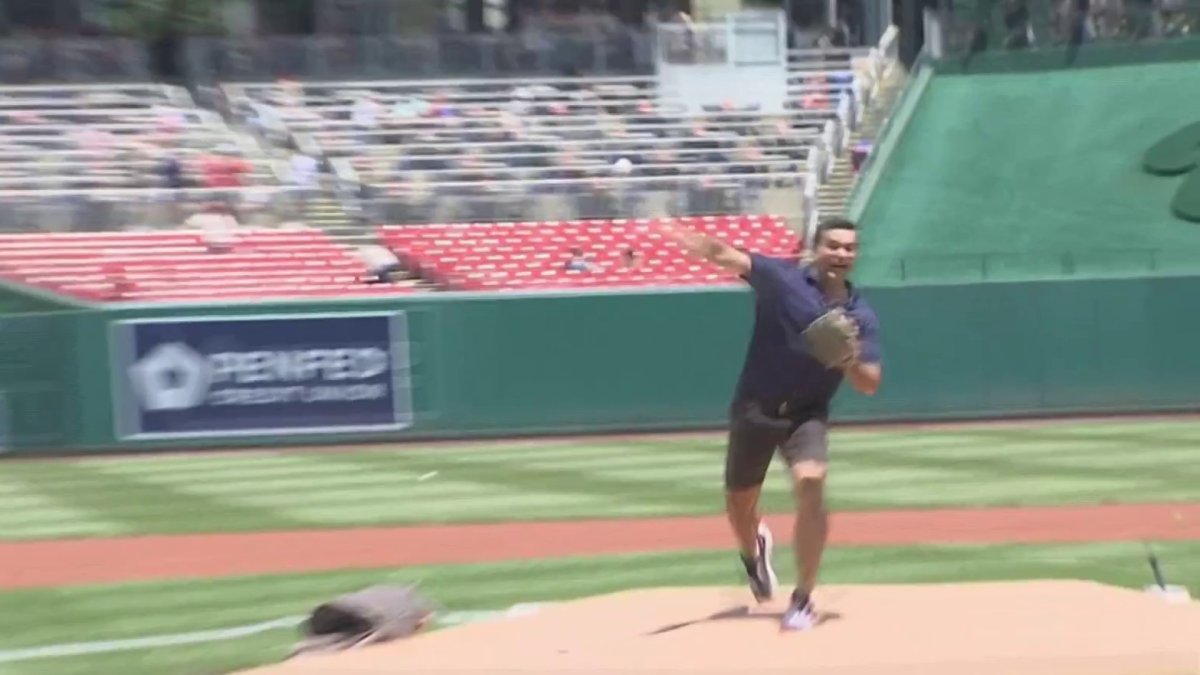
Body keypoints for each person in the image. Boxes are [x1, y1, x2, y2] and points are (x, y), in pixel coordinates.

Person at [662, 217, 883, 631]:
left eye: (850, 248)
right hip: (755, 408)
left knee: (811, 481)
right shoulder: (783, 281)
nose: (841, 254)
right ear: (817, 249)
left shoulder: (860, 314)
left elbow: (870, 384)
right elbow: (729, 256)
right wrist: (693, 242)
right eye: (833, 245)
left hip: (806, 414)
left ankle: (803, 599)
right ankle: (754, 552)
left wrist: (849, 358)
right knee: (739, 506)